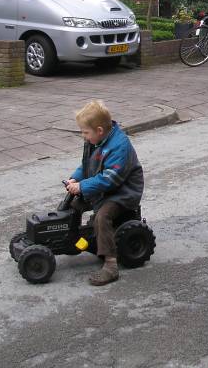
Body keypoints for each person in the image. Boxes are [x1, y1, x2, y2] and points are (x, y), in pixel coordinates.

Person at [65, 100, 144, 286]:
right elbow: (87, 164)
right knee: (74, 204)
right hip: (106, 188)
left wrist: (83, 186)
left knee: (102, 216)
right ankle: (75, 239)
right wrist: (75, 179)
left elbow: (110, 179)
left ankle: (110, 265)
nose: (84, 137)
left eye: (85, 133)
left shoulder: (119, 146)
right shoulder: (97, 141)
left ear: (99, 130)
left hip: (123, 192)